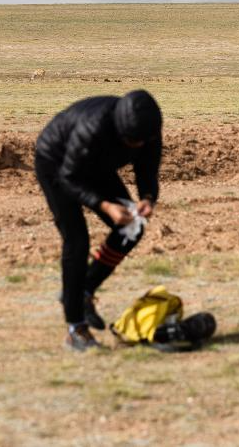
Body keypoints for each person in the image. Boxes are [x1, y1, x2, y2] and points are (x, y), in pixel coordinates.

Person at [35, 90, 163, 351]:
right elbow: (69, 178)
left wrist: (148, 198)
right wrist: (105, 205)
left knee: (132, 227)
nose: (136, 146)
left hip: (96, 166)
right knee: (77, 241)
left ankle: (84, 291)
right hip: (57, 165)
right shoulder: (93, 128)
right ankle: (75, 328)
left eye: (141, 141)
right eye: (131, 141)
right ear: (120, 130)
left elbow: (147, 168)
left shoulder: (148, 129)